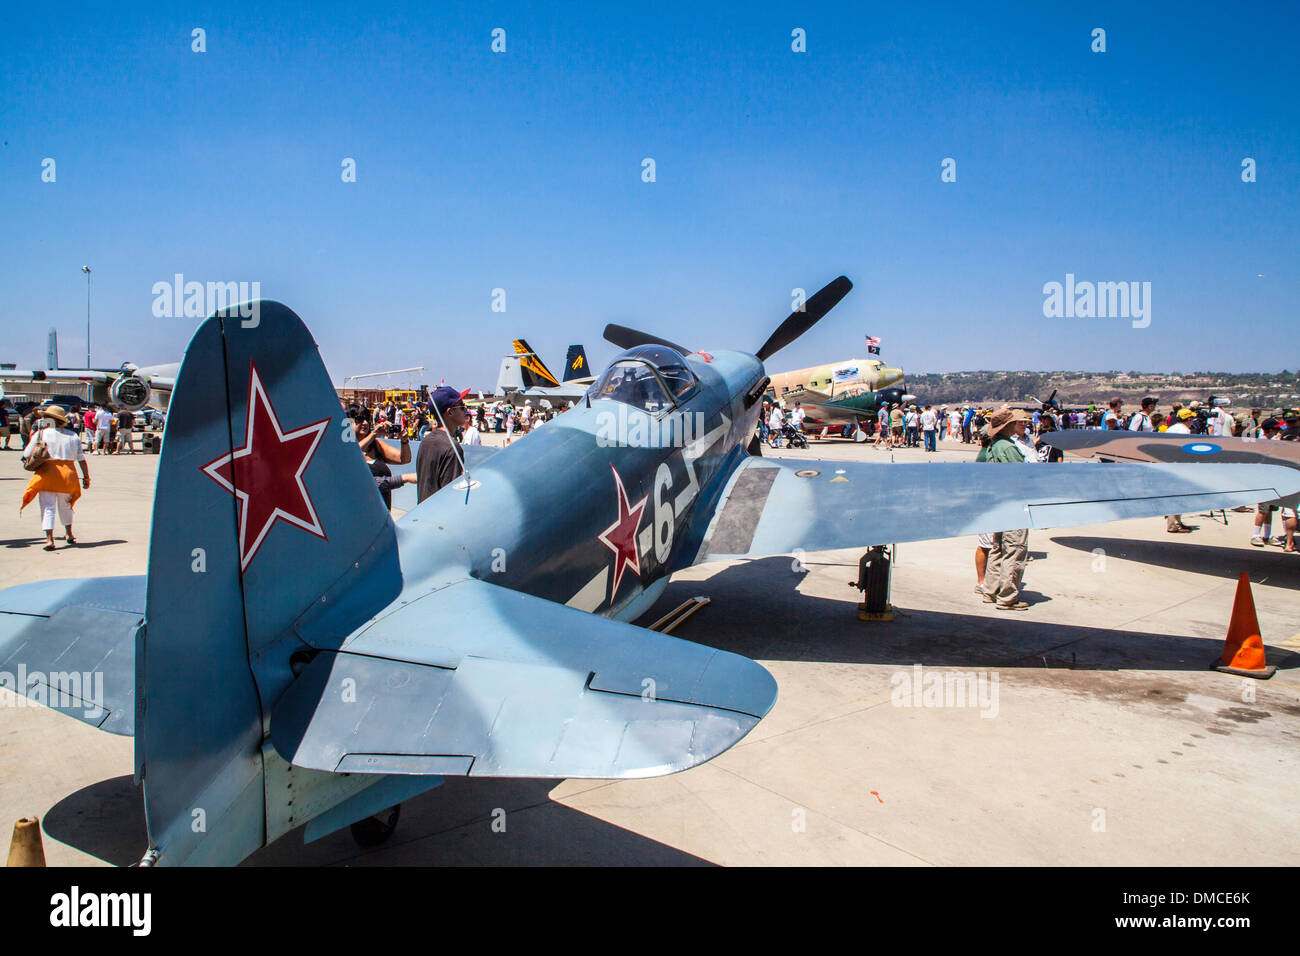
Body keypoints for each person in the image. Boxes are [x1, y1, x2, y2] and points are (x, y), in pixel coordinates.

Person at [977, 407, 1033, 610]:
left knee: (998, 547)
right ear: (1008, 425)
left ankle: (990, 590)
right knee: (1015, 549)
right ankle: (1008, 596)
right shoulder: (1008, 448)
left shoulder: (995, 445)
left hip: (998, 503)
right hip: (1012, 503)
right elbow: (1019, 476)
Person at [20, 406, 91, 551]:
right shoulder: (73, 436)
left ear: (49, 419)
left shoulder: (42, 434)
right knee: (66, 506)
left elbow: (27, 453)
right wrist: (86, 477)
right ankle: (69, 534)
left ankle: (49, 539)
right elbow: (81, 459)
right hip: (68, 475)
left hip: (47, 474)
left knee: (48, 508)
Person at [416, 386, 469, 502]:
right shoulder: (451, 448)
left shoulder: (426, 440)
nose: (465, 410)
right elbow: (450, 495)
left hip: (423, 512)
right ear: (450, 412)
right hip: (440, 517)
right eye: (462, 406)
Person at [1163, 409, 1197, 532]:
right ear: (1188, 419)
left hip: (1168, 463)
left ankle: (1177, 521)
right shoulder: (1184, 430)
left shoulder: (1171, 428)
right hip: (1179, 466)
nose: (1192, 421)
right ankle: (1172, 524)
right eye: (1191, 419)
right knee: (1178, 495)